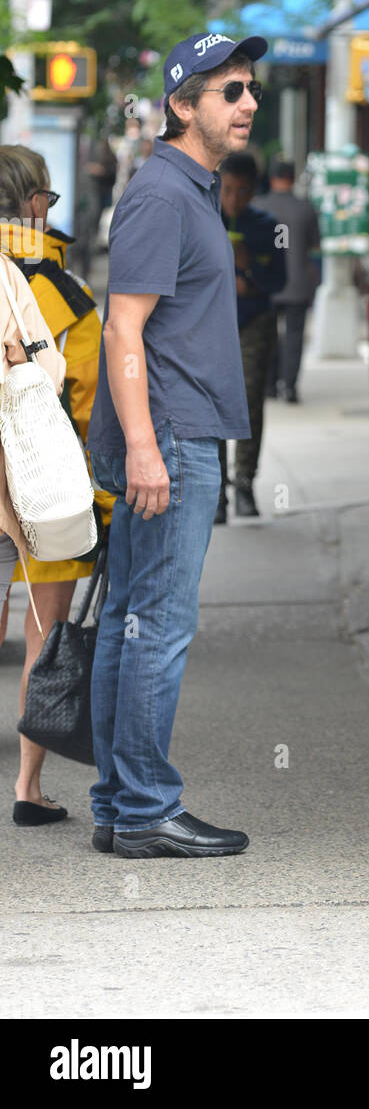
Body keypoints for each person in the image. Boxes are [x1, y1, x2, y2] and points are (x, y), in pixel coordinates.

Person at [86, 29, 266, 860]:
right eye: (229, 91)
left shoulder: (190, 189)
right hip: (171, 437)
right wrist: (146, 447)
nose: (249, 103)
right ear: (181, 104)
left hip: (177, 432)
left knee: (131, 619)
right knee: (156, 624)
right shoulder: (163, 193)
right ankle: (146, 806)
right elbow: (124, 327)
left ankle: (121, 804)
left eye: (250, 89)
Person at [0, 146, 115, 826]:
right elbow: (89, 396)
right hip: (41, 478)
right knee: (47, 631)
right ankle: (27, 788)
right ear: (36, 203)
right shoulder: (59, 293)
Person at [0, 248, 65, 824]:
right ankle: (27, 788)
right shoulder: (14, 274)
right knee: (42, 628)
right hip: (25, 484)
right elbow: (54, 371)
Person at [215, 151, 285, 522]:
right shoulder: (207, 220)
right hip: (214, 323)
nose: (233, 199)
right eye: (226, 190)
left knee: (247, 404)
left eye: (242, 191)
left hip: (254, 322)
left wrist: (249, 267)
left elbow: (280, 281)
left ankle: (244, 484)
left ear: (253, 190)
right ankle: (217, 494)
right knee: (212, 405)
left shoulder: (269, 227)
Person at [260, 161, 320, 404]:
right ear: (291, 179)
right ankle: (290, 386)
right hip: (298, 281)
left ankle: (270, 385)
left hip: (266, 284)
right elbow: (315, 247)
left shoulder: (258, 206)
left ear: (272, 179)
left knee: (268, 335)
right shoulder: (305, 208)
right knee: (294, 335)